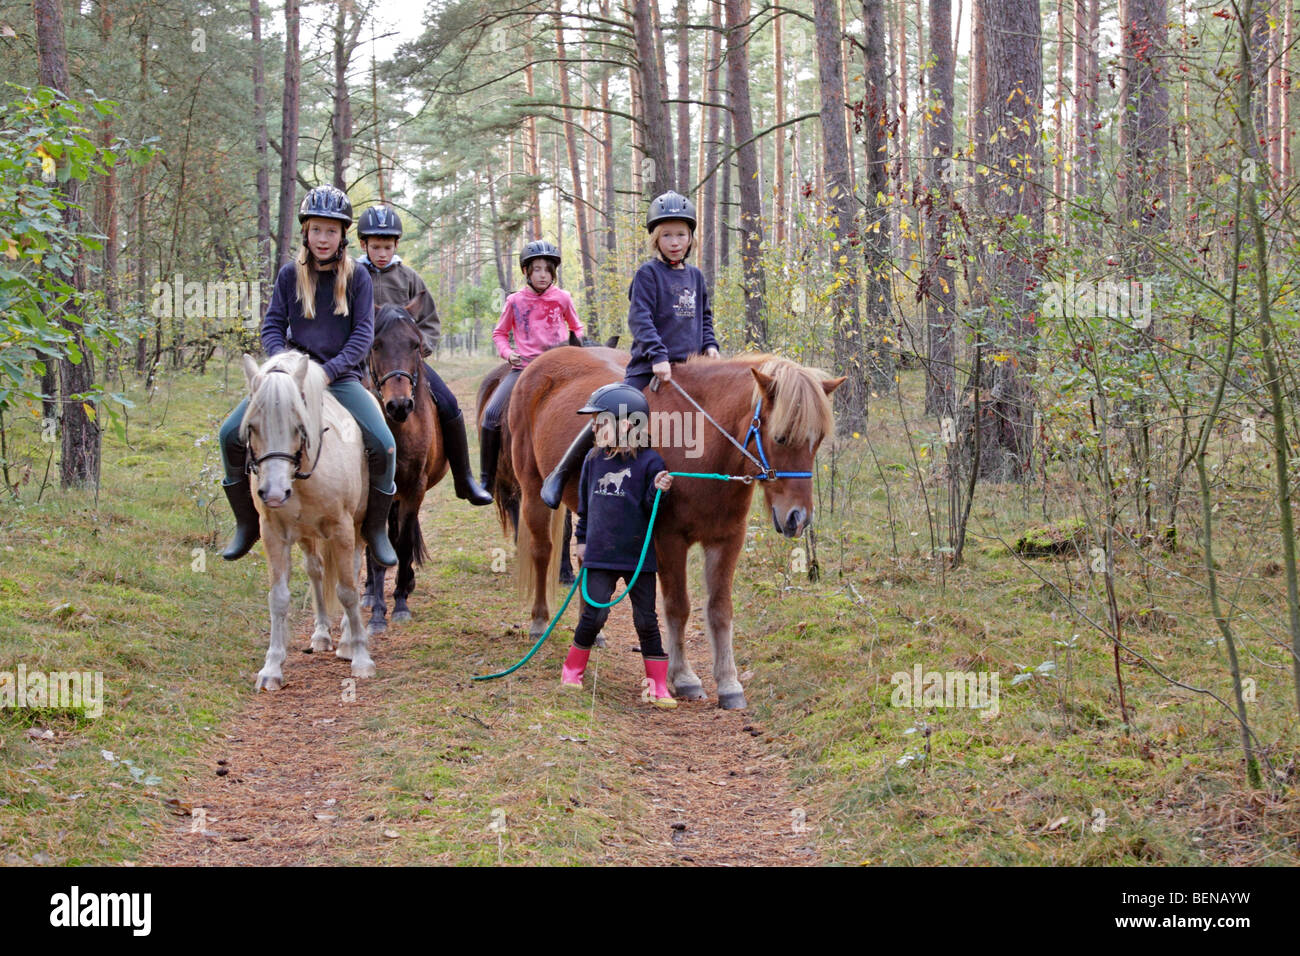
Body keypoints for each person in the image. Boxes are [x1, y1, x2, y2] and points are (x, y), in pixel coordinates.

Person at [218, 184, 399, 567]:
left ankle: (377, 528)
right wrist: (284, 366)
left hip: (341, 378)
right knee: (229, 435)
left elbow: (362, 334)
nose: (323, 238)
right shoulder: (289, 275)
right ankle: (247, 524)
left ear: (342, 235)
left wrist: (328, 371)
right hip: (290, 378)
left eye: (331, 231)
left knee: (384, 444)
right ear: (306, 231)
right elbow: (272, 326)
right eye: (317, 229)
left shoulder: (357, 279)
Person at [541, 191, 717, 508]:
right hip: (648, 369)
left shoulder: (696, 277)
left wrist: (711, 346)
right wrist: (659, 357)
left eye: (681, 234)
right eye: (667, 235)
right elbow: (640, 320)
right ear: (655, 238)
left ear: (691, 237)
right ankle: (561, 474)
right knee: (615, 411)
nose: (674, 241)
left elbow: (705, 317)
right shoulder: (647, 275)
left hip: (693, 370)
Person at [355, 204, 492, 506]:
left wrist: (418, 350)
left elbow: (429, 322)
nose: (381, 253)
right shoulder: (352, 276)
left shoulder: (409, 278)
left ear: (396, 245)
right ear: (363, 244)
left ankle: (464, 478)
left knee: (449, 403)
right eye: (375, 246)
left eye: (387, 246)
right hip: (361, 363)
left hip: (405, 364)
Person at [559, 383, 676, 708]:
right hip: (599, 554)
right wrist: (581, 541)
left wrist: (659, 490)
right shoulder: (593, 460)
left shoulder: (651, 462)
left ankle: (657, 685)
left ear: (627, 424)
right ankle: (572, 671)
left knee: (646, 620)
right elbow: (584, 507)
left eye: (600, 420)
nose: (594, 427)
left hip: (637, 557)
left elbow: (653, 509)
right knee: (593, 616)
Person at [479, 239, 584, 496]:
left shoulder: (562, 298)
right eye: (536, 269)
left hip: (559, 368)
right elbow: (500, 333)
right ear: (526, 271)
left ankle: (579, 473)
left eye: (547, 270)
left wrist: (577, 347)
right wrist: (508, 353)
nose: (542, 275)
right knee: (491, 416)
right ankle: (486, 479)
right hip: (524, 369)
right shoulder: (515, 301)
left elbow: (577, 326)